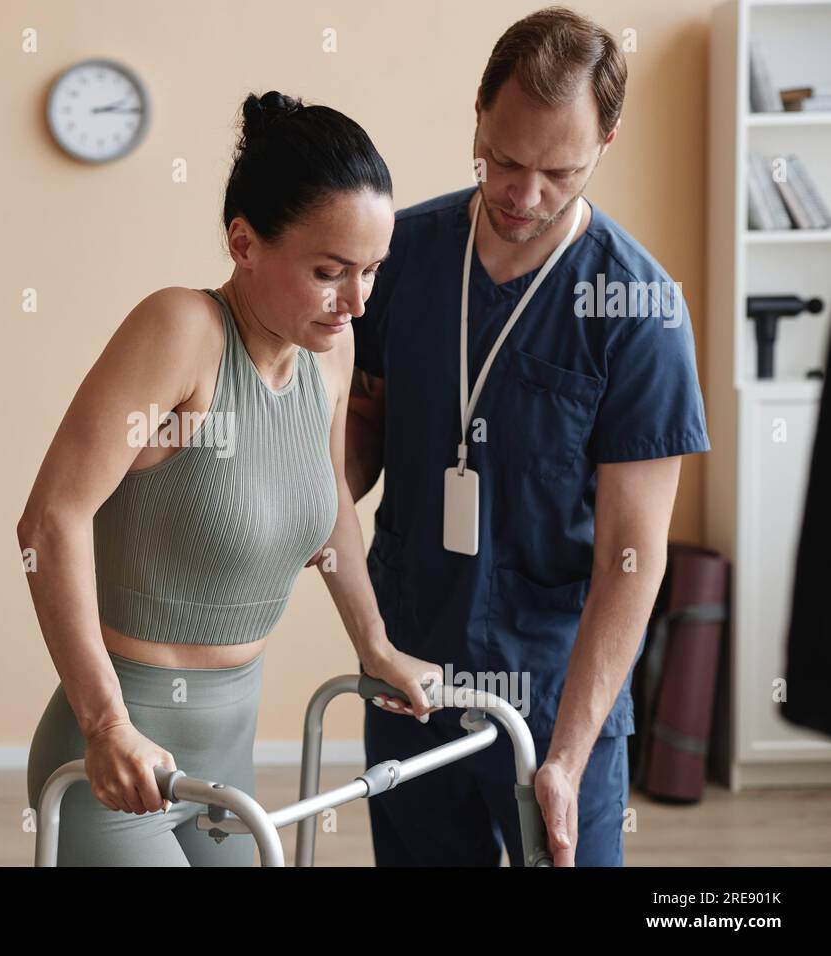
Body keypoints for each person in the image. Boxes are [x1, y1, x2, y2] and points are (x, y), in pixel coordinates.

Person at [20, 91, 442, 865]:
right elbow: (50, 521)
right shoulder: (181, 331)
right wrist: (105, 724)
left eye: (373, 272)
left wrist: (375, 643)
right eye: (329, 271)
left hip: (227, 755)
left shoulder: (329, 352)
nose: (355, 302)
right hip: (116, 761)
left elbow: (331, 505)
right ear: (244, 243)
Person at [346, 6, 710, 867]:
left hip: (558, 692)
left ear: (608, 141)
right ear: (478, 112)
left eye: (560, 171)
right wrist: (291, 501)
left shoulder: (638, 311)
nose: (523, 194)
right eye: (504, 160)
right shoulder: (402, 255)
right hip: (411, 676)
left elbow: (635, 553)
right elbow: (363, 424)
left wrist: (570, 756)